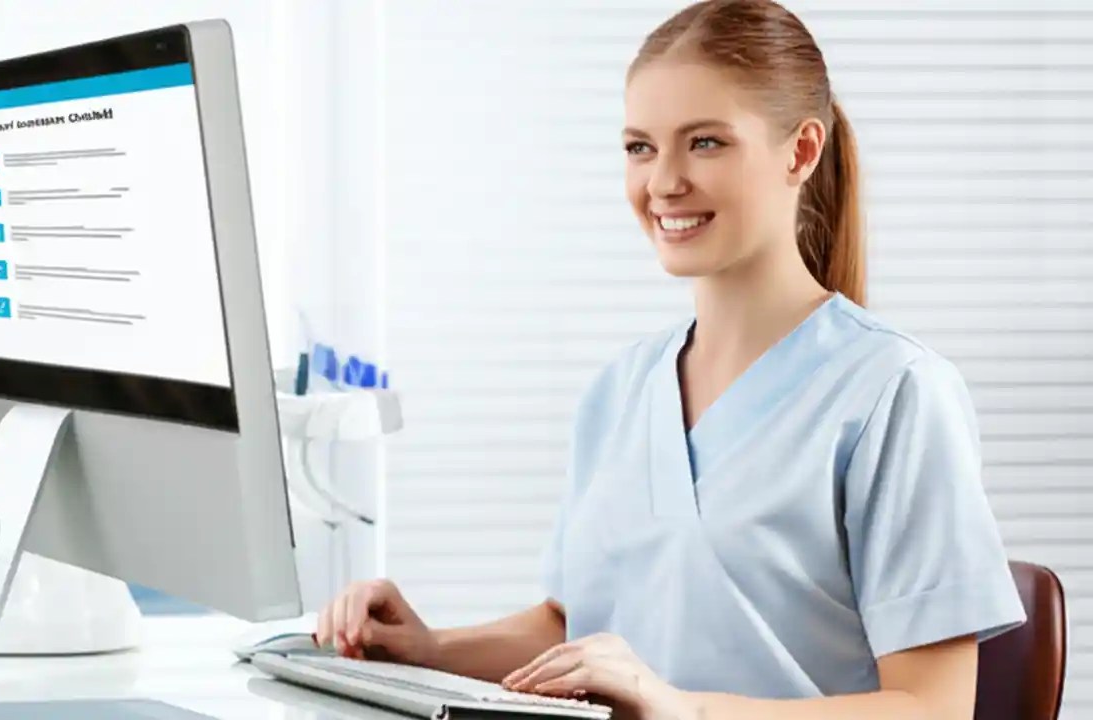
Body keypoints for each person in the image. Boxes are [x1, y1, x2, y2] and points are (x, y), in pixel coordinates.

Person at [315, 1, 1026, 718]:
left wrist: (685, 711)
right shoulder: (621, 390)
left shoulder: (894, 393)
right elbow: (576, 626)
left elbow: (933, 706)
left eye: (706, 143)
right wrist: (430, 649)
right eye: (640, 148)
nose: (663, 182)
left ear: (801, 151)